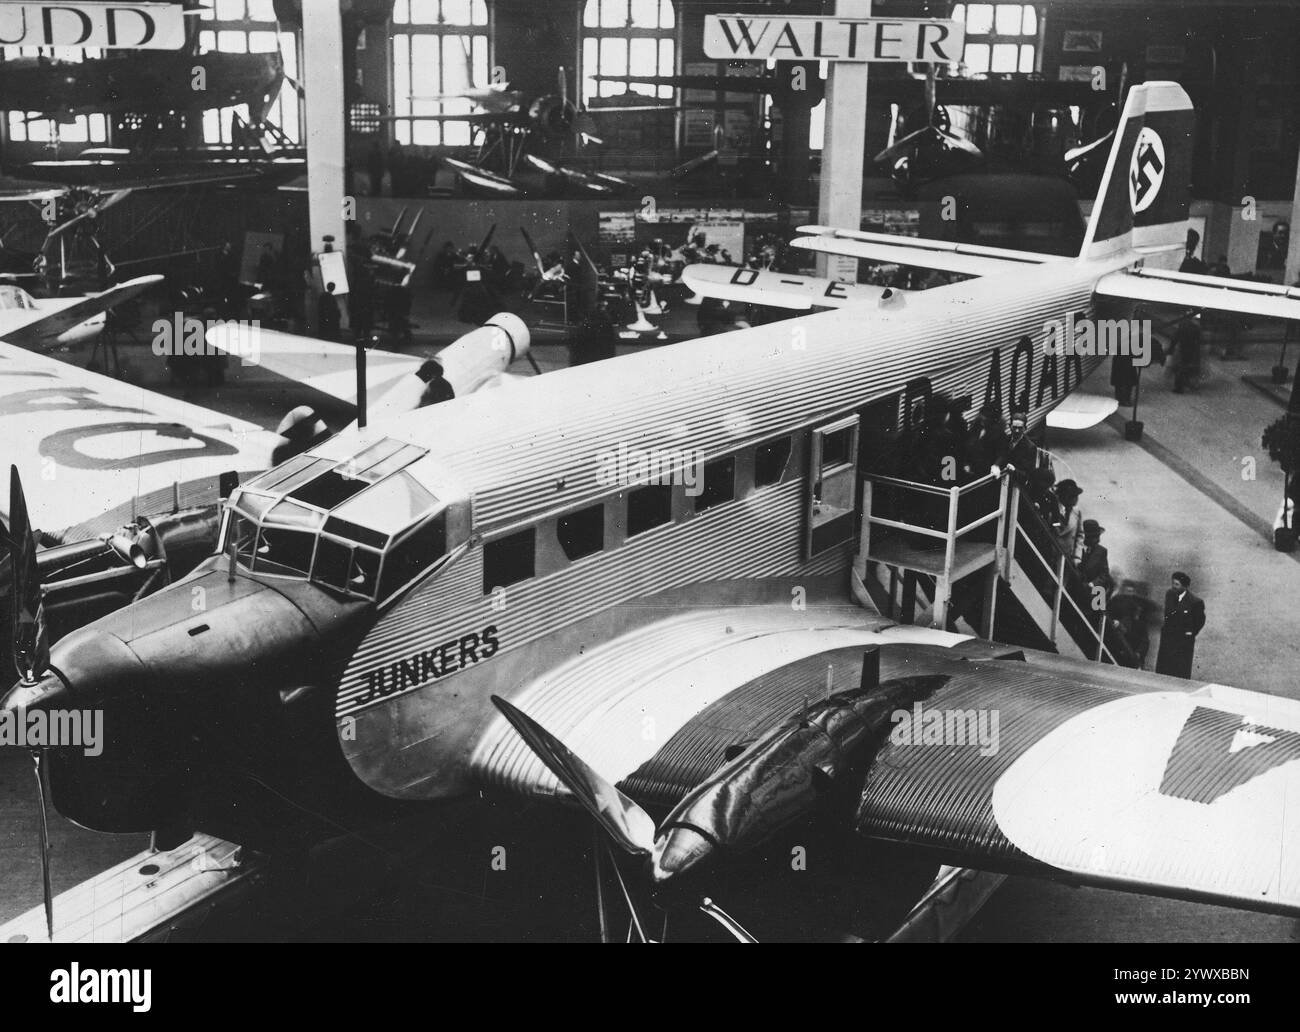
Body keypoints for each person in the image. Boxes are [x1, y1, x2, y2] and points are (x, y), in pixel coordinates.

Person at [1155, 571, 1205, 678]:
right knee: (1164, 669)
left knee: (1180, 670)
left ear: (1185, 586)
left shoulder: (1195, 602)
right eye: (1173, 583)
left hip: (1183, 642)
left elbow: (1200, 621)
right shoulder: (1169, 594)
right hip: (1168, 639)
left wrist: (1190, 633)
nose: (1174, 586)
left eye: (1177, 584)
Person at [1078, 519, 1113, 596]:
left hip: (1091, 594)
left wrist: (1092, 584)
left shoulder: (1102, 551)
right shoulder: (1077, 548)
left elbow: (1104, 575)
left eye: (1098, 536)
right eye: (1094, 537)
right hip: (1072, 590)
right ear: (1086, 537)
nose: (1098, 540)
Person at [1170, 313, 1203, 393]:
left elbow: (1175, 337)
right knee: (1186, 366)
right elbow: (1198, 340)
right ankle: (1184, 383)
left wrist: (1172, 348)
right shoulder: (1196, 327)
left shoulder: (1182, 325)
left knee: (1182, 366)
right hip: (1191, 348)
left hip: (1183, 347)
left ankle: (1179, 386)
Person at [1054, 479, 1083, 561]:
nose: (1075, 498)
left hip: (1067, 558)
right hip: (1051, 552)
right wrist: (1058, 526)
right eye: (1072, 495)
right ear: (1063, 495)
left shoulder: (1077, 512)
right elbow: (1052, 524)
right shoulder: (1054, 506)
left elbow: (1080, 535)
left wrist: (1077, 557)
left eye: (1076, 495)